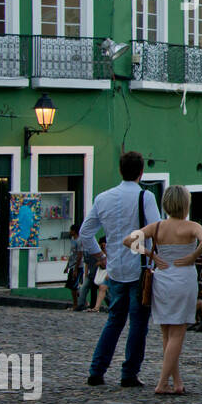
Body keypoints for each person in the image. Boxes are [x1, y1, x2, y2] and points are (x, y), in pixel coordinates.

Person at [82, 151, 162, 388]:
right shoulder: (145, 197)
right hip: (140, 269)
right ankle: (129, 373)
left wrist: (100, 256)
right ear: (141, 172)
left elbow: (86, 233)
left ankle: (97, 370)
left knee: (114, 321)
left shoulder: (103, 198)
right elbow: (156, 229)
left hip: (115, 268)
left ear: (120, 170)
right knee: (138, 325)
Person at [126, 186, 202, 396]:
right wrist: (193, 256)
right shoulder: (191, 226)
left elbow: (128, 240)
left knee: (166, 333)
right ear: (185, 204)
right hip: (183, 279)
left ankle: (177, 381)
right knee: (178, 333)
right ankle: (162, 383)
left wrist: (150, 255)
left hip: (162, 279)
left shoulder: (158, 226)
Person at [65, 226, 84, 309]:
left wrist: (76, 269)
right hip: (72, 265)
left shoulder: (79, 241)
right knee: (73, 286)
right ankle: (83, 302)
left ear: (74, 231)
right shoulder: (73, 240)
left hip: (78, 266)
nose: (69, 231)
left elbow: (80, 255)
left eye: (71, 230)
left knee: (74, 287)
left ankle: (76, 304)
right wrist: (67, 266)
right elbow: (71, 254)